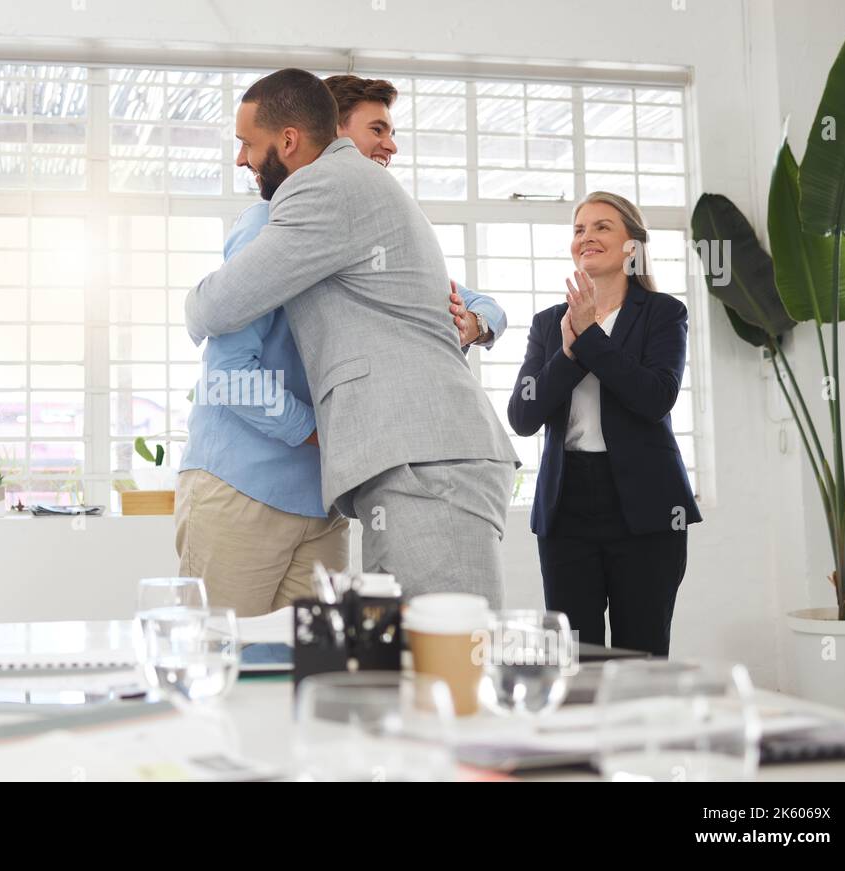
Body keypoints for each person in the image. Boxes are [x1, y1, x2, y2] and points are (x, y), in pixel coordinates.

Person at [185, 69, 518, 608]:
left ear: (289, 140)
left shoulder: (326, 189)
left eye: (248, 144)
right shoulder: (311, 206)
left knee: (449, 642)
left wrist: (191, 304)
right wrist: (319, 429)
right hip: (356, 469)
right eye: (376, 129)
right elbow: (228, 367)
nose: (241, 160)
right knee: (410, 643)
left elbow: (214, 305)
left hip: (418, 459)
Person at [507, 191, 700, 656]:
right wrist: (568, 352)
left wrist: (589, 338)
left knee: (641, 656)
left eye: (601, 227)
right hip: (566, 506)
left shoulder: (663, 313)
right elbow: (523, 415)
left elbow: (655, 398)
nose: (586, 237)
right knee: (575, 656)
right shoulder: (548, 323)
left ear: (632, 245)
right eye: (579, 229)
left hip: (646, 506)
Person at [321, 74, 507, 349]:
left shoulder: (383, 229)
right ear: (332, 132)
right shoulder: (291, 218)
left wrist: (471, 324)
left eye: (391, 134)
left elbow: (491, 310)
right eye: (377, 130)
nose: (392, 146)